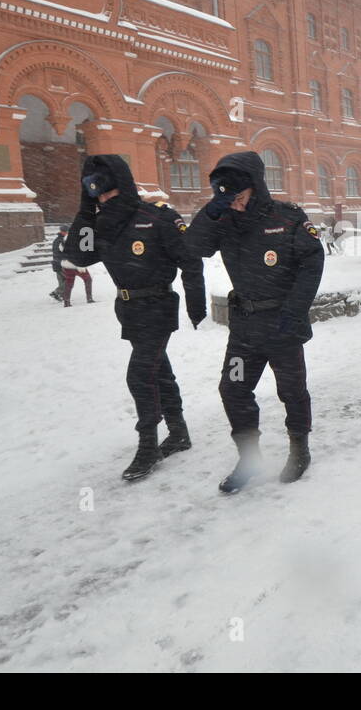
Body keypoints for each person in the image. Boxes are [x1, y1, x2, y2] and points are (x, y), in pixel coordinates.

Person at [184, 151, 325, 494]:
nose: (235, 206)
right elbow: (193, 246)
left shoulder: (288, 218)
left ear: (255, 188)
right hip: (245, 330)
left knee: (291, 391)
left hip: (282, 327)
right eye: (227, 199)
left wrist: (294, 313)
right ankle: (248, 458)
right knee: (233, 389)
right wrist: (210, 210)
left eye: (240, 198)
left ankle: (299, 449)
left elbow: (312, 264)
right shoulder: (224, 221)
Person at [64, 154, 206, 482]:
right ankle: (179, 432)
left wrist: (195, 306)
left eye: (109, 194)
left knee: (140, 375)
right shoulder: (102, 224)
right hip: (129, 309)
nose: (104, 201)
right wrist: (86, 211)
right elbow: (77, 254)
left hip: (157, 305)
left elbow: (191, 260)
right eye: (97, 196)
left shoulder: (157, 218)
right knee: (159, 372)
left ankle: (148, 445)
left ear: (124, 187)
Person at [49, 224, 68, 302]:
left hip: (56, 263)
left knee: (62, 281)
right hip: (61, 264)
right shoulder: (61, 240)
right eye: (67, 231)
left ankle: (60, 295)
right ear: (63, 232)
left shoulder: (57, 240)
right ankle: (56, 293)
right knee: (69, 279)